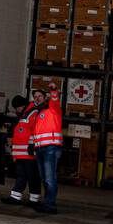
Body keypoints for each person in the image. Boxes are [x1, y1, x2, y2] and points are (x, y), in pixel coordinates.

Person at [31, 86, 64, 215]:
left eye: (39, 96)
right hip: (40, 148)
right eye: (35, 97)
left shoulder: (53, 109)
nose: (37, 98)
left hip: (51, 147)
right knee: (44, 178)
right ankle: (47, 202)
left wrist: (54, 90)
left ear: (46, 98)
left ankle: (50, 205)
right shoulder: (39, 113)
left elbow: (55, 99)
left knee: (50, 178)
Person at [4, 94, 41, 206]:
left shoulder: (33, 113)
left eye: (17, 108)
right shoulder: (24, 114)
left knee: (32, 176)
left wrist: (32, 144)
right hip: (21, 153)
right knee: (21, 175)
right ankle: (15, 197)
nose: (16, 110)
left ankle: (34, 199)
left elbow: (36, 130)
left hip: (28, 153)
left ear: (22, 106)